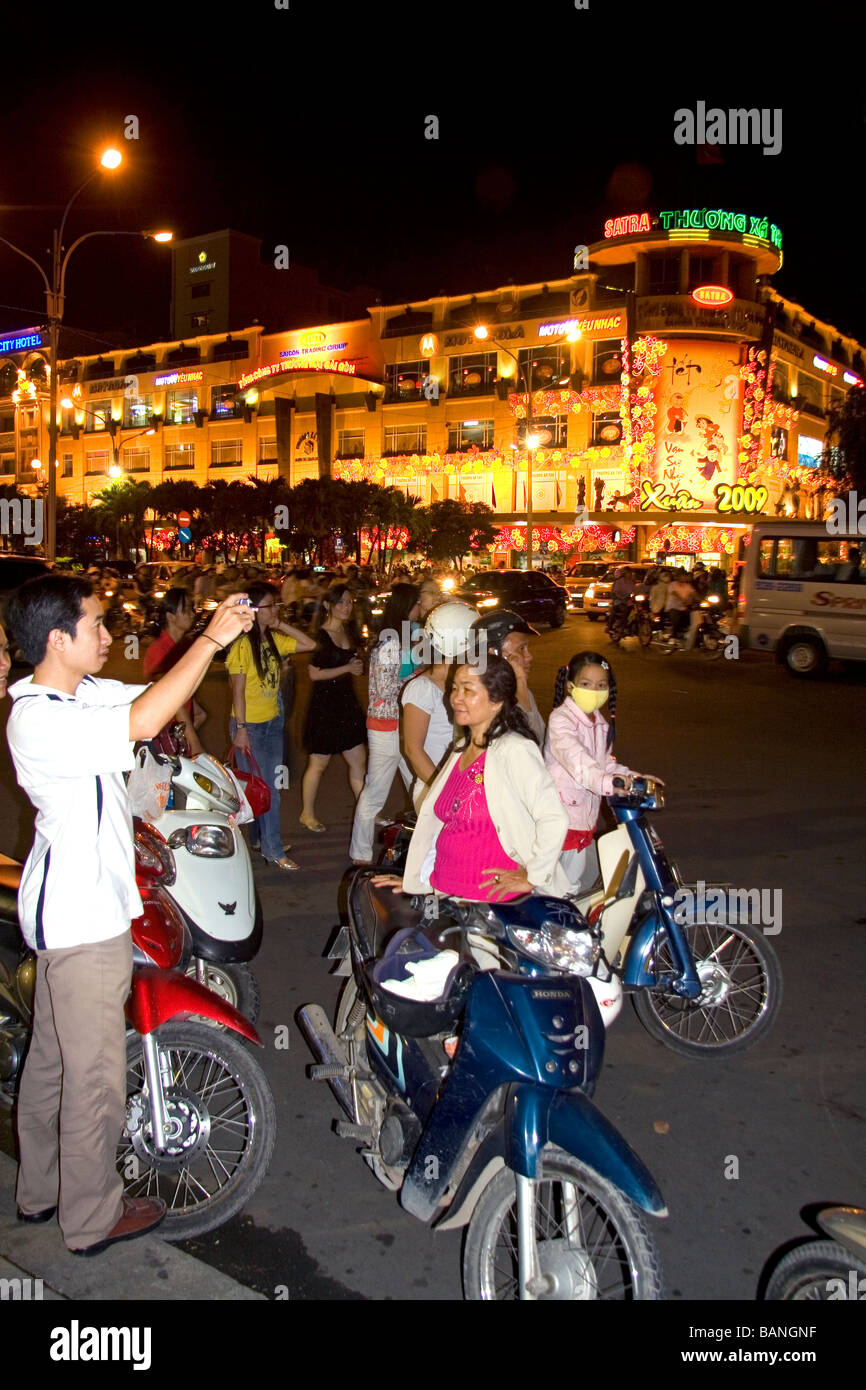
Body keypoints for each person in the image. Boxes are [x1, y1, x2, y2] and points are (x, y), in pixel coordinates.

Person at [3, 575, 253, 1255]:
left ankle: (41, 1191)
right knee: (94, 1076)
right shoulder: (40, 715)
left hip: (77, 910)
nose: (110, 636)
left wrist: (211, 641)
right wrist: (211, 637)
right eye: (96, 624)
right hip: (82, 919)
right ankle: (90, 1218)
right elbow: (141, 722)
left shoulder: (73, 695)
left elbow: (151, 702)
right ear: (59, 638)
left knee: (54, 1062)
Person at [375, 655, 570, 903]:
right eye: (454, 688)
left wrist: (532, 877)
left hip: (486, 904)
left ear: (496, 701)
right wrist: (417, 880)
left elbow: (554, 817)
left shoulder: (514, 750)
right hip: (446, 893)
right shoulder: (460, 750)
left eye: (468, 690)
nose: (456, 698)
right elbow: (447, 829)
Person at [544, 651, 662, 891]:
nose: (594, 691)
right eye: (586, 684)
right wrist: (612, 783)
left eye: (601, 685)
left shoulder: (600, 725)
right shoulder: (561, 720)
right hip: (557, 820)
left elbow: (605, 764)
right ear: (570, 686)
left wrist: (634, 779)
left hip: (582, 822)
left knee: (571, 886)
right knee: (556, 889)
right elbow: (581, 765)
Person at [227, 582, 315, 869]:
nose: (275, 609)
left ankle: (261, 840)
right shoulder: (241, 645)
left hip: (272, 721)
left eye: (275, 604)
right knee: (269, 790)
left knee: (264, 786)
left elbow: (309, 644)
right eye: (269, 605)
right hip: (250, 725)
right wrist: (241, 729)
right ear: (254, 611)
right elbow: (237, 691)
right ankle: (274, 850)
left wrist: (278, 622)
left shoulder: (273, 640)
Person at [349, 583, 421, 864]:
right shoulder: (390, 645)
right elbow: (384, 691)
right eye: (416, 604)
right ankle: (361, 852)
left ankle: (420, 845)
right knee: (375, 792)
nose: (420, 609)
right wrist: (418, 678)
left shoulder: (407, 640)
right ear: (406, 607)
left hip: (405, 725)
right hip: (386, 726)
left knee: (419, 785)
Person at [300, 584, 367, 834]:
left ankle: (366, 811)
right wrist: (347, 669)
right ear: (328, 605)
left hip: (346, 702)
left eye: (349, 602)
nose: (347, 607)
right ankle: (307, 813)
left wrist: (356, 667)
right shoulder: (320, 635)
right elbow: (314, 674)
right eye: (341, 602)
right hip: (325, 706)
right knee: (318, 764)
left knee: (359, 762)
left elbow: (350, 663)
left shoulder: (348, 631)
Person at [400, 601, 476, 803]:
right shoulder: (422, 689)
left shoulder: (470, 683)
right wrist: (446, 793)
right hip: (436, 792)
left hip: (465, 786)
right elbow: (413, 750)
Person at [143, 587, 205, 754]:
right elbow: (173, 701)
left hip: (180, 727)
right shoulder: (158, 650)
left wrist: (196, 710)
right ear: (170, 617)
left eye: (191, 608)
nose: (192, 614)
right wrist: (194, 742)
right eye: (185, 610)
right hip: (167, 728)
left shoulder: (183, 645)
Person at [471, 610, 545, 744]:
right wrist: (520, 683)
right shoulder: (482, 700)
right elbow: (531, 742)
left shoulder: (521, 690)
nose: (529, 656)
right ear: (493, 653)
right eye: (521, 649)